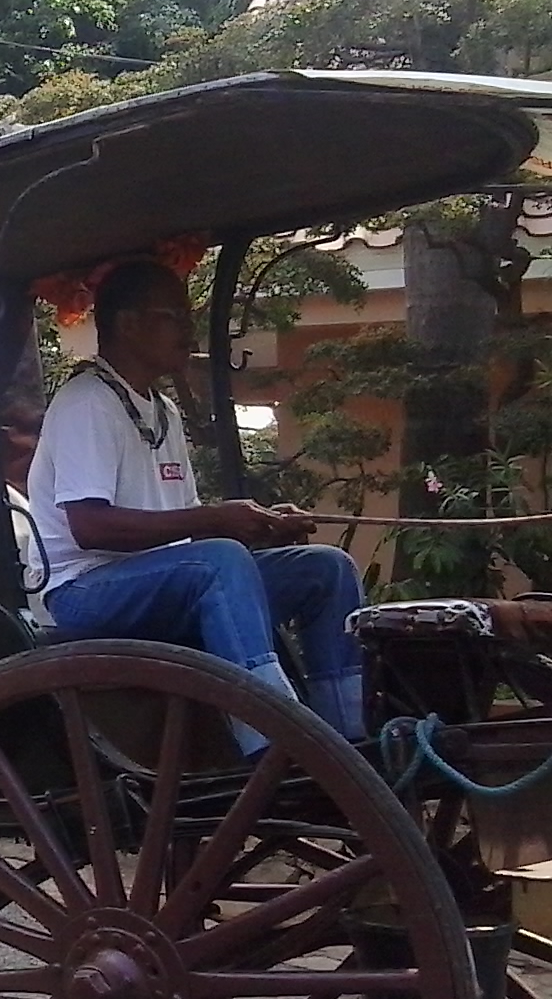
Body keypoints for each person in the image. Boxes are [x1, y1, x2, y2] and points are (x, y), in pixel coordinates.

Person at [26, 258, 366, 748]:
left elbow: (186, 532)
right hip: (82, 593)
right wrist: (217, 520)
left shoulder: (161, 410)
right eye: (174, 317)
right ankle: (275, 744)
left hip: (164, 580)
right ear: (127, 324)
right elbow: (90, 527)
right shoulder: (88, 402)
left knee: (326, 568)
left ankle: (347, 743)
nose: (188, 331)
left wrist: (261, 524)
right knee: (218, 563)